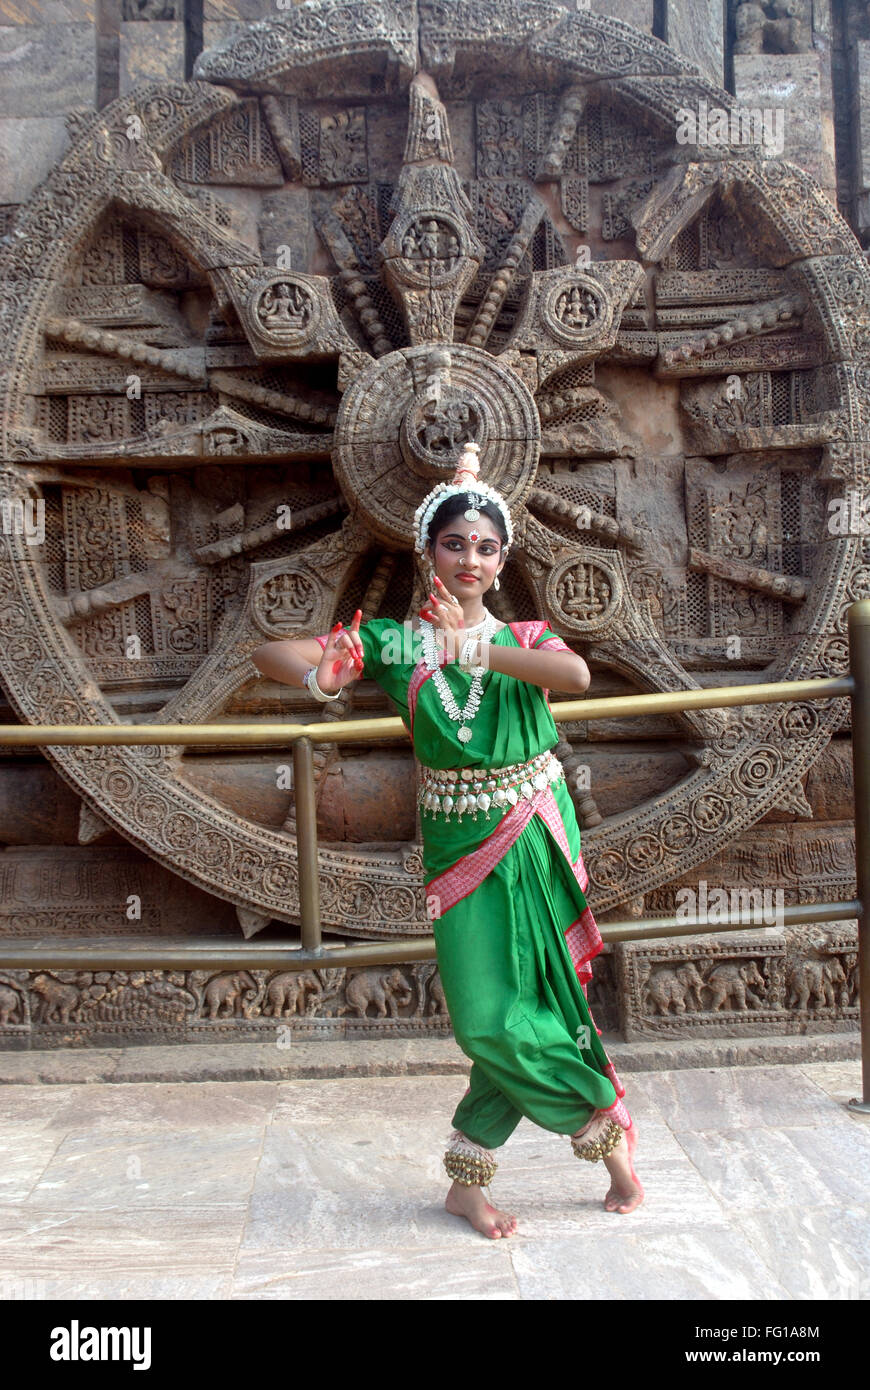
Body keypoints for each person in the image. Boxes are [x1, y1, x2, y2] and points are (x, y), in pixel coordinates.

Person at [250, 442, 644, 1237]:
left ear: (502, 563)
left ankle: (542, 1161)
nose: (471, 557)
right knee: (487, 1019)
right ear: (429, 549)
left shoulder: (526, 639)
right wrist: (318, 673)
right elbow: (273, 653)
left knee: (537, 1004)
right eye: (456, 542)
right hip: (459, 850)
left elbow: (576, 681)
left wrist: (470, 645)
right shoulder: (398, 645)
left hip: (532, 832)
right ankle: (600, 1127)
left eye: (487, 547)